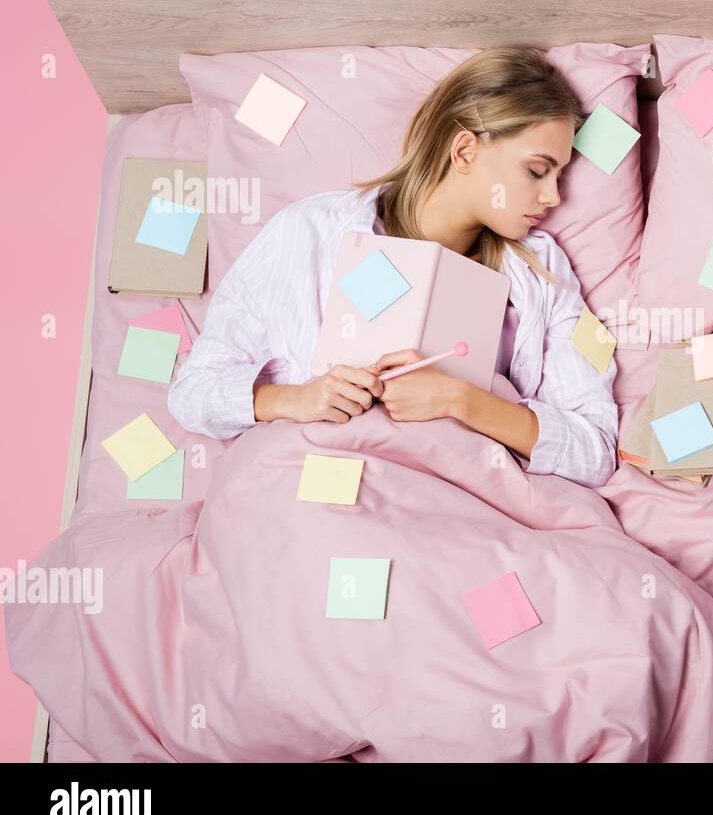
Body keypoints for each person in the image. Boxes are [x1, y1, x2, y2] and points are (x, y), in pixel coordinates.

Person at [167, 47, 618, 488]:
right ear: (464, 152)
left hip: (453, 498)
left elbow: (594, 451)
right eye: (538, 170)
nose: (554, 197)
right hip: (315, 486)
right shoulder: (308, 232)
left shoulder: (543, 270)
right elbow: (192, 395)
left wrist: (463, 401)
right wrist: (298, 398)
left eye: (560, 174)